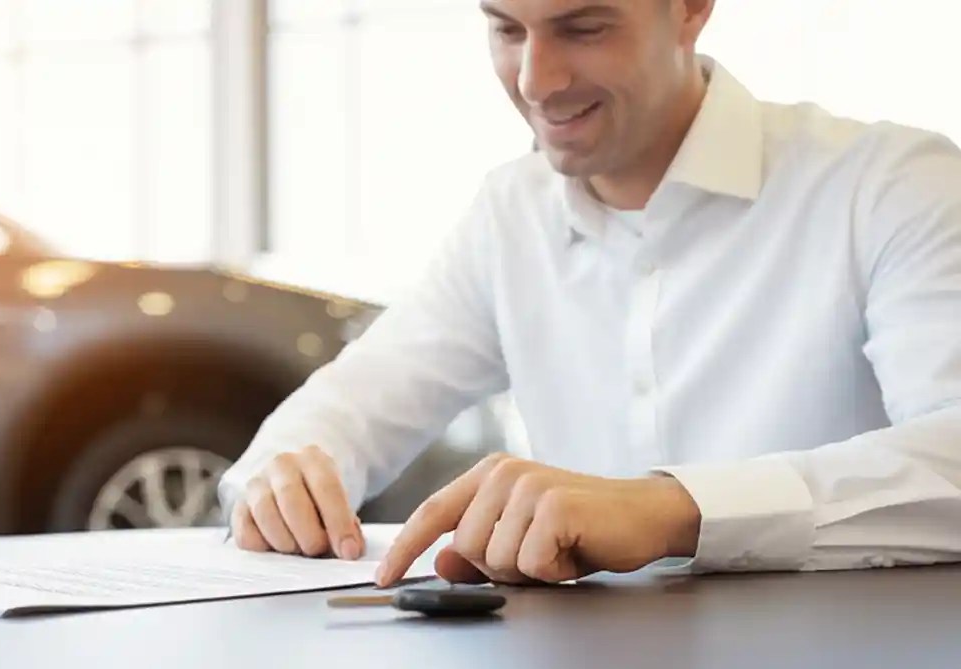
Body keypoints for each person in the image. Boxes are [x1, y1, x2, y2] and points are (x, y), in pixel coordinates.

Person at [217, 0, 961, 588]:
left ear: (692, 7)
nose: (537, 80)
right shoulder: (510, 213)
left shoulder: (889, 185)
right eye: (507, 29)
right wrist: (278, 480)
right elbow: (348, 408)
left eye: (584, 27)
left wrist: (676, 509)